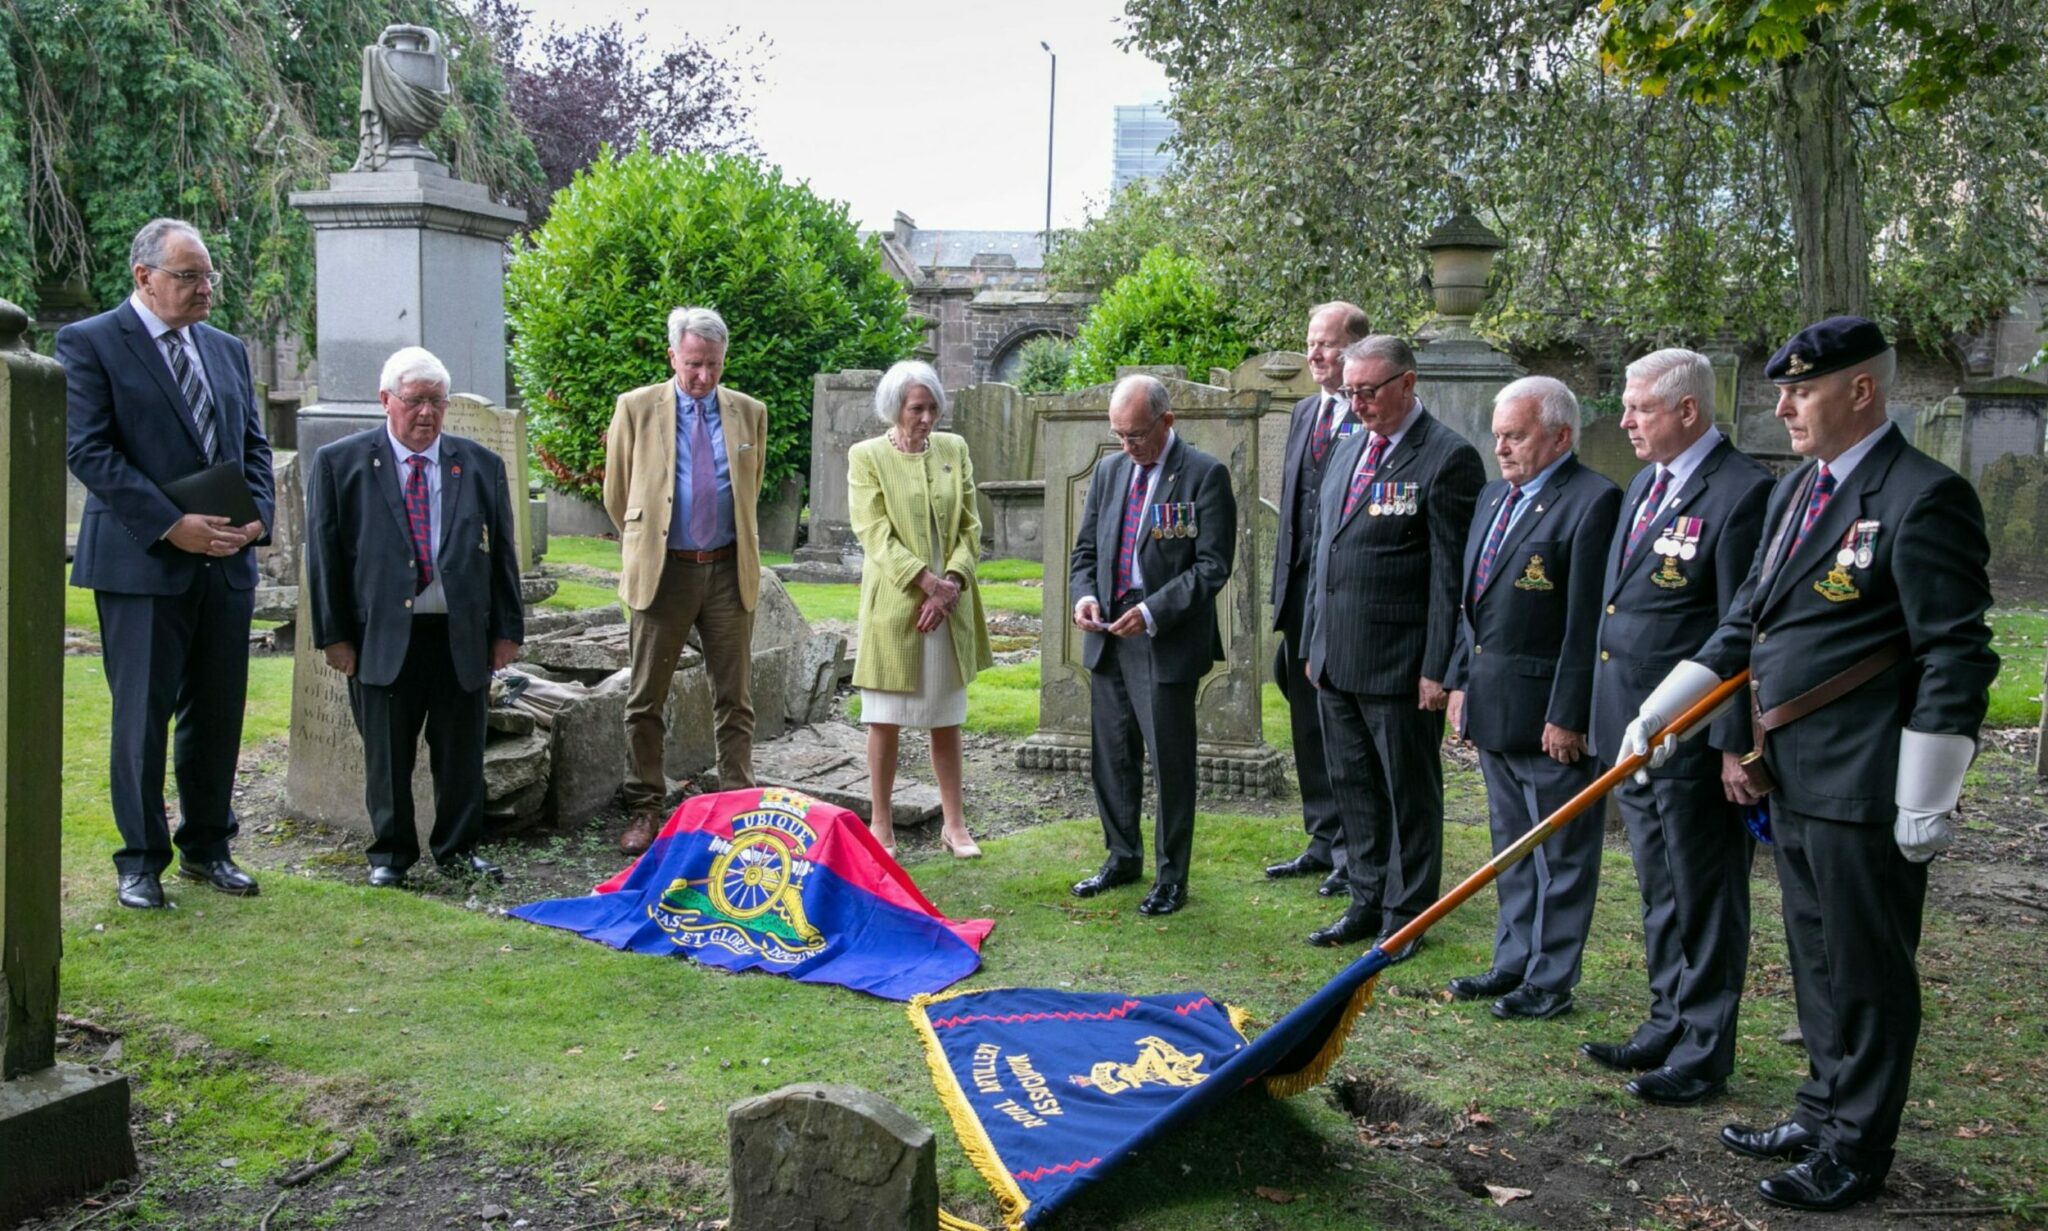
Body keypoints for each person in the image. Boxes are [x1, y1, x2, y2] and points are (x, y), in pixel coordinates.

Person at [1624, 317, 1999, 1212]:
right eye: (1782, 391)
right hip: (1792, 771)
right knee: (1817, 958)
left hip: (1866, 777)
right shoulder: (1798, 490)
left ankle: (1857, 1146)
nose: (1783, 407)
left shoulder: (1923, 495)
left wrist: (1928, 788)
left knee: (1866, 970)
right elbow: (1746, 622)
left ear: (1860, 390)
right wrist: (1666, 706)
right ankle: (1822, 1109)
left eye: (1801, 390)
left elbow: (1956, 652)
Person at [60, 217, 275, 910]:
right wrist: (169, 525)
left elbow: (252, 446)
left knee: (217, 714)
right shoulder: (91, 342)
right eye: (189, 276)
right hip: (143, 565)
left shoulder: (226, 348)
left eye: (209, 276)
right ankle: (140, 860)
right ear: (144, 277)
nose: (204, 288)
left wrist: (258, 517)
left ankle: (208, 848)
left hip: (226, 565)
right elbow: (90, 450)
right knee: (142, 720)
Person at [1583, 348, 1772, 1106]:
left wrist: (1732, 743)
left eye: (1640, 408)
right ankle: (1667, 1019)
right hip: (1637, 732)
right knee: (1661, 889)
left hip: (1691, 736)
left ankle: (1703, 1049)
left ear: (1687, 410)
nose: (1625, 421)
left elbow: (1740, 630)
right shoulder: (1645, 484)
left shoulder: (1742, 491)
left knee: (1705, 894)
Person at [305, 347, 524, 886]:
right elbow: (325, 558)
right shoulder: (341, 464)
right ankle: (390, 854)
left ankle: (457, 850)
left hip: (457, 633)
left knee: (461, 754)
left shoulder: (480, 464)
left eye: (437, 401)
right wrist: (334, 636)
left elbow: (502, 555)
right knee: (387, 754)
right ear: (386, 400)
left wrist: (506, 630)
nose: (427, 412)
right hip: (381, 636)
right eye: (415, 400)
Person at [1442, 377, 1620, 1018]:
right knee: (1511, 847)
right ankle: (1512, 961)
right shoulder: (1494, 497)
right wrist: (1461, 681)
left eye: (1515, 436)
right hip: (1493, 702)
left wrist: (1568, 715)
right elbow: (1474, 605)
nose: (1501, 448)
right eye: (1498, 436)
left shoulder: (1593, 501)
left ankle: (1550, 978)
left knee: (1562, 854)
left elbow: (1586, 622)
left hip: (1549, 715)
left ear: (1560, 436)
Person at [1302, 335, 1484, 955]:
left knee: (1408, 795)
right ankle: (1365, 898)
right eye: (1350, 392)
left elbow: (1450, 576)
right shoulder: (1349, 446)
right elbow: (1325, 552)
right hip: (1337, 657)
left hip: (1401, 664)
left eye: (1368, 392)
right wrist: (1315, 641)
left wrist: (1439, 666)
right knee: (1353, 786)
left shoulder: (1448, 457)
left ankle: (1407, 915)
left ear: (1407, 383)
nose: (1356, 404)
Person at [1067, 374, 1236, 916]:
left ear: (1167, 421)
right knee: (1112, 755)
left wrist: (1151, 611)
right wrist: (1085, 597)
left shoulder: (1204, 474)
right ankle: (1121, 857)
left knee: (1170, 762)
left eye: (1136, 435)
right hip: (1108, 632)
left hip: (1164, 634)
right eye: (1119, 434)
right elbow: (1086, 550)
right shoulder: (1110, 471)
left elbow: (1212, 566)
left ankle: (1171, 876)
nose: (1127, 446)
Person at [605, 306, 767, 854]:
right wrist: (649, 545)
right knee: (646, 697)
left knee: (735, 697)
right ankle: (645, 806)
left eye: (713, 365)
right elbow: (618, 493)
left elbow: (749, 490)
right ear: (672, 355)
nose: (703, 376)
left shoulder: (750, 412)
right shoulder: (635, 408)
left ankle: (738, 805)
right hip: (664, 571)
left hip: (727, 570)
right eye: (694, 363)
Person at [847, 361, 994, 859]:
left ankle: (955, 825)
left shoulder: (954, 449)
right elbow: (874, 533)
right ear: (896, 409)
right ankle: (881, 825)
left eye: (933, 408)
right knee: (884, 718)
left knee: (945, 717)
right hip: (896, 603)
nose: (927, 418)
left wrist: (951, 583)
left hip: (948, 603)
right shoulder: (867, 456)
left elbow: (971, 526)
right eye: (917, 409)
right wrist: (927, 583)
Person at [1267, 301, 1372, 898]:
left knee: (1342, 725)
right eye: (1310, 343)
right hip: (1300, 593)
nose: (1313, 354)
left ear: (1355, 349)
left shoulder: (1370, 414)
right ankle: (1320, 836)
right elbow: (1293, 509)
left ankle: (1353, 849)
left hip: (1345, 599)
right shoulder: (1306, 411)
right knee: (1305, 718)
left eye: (1326, 344)